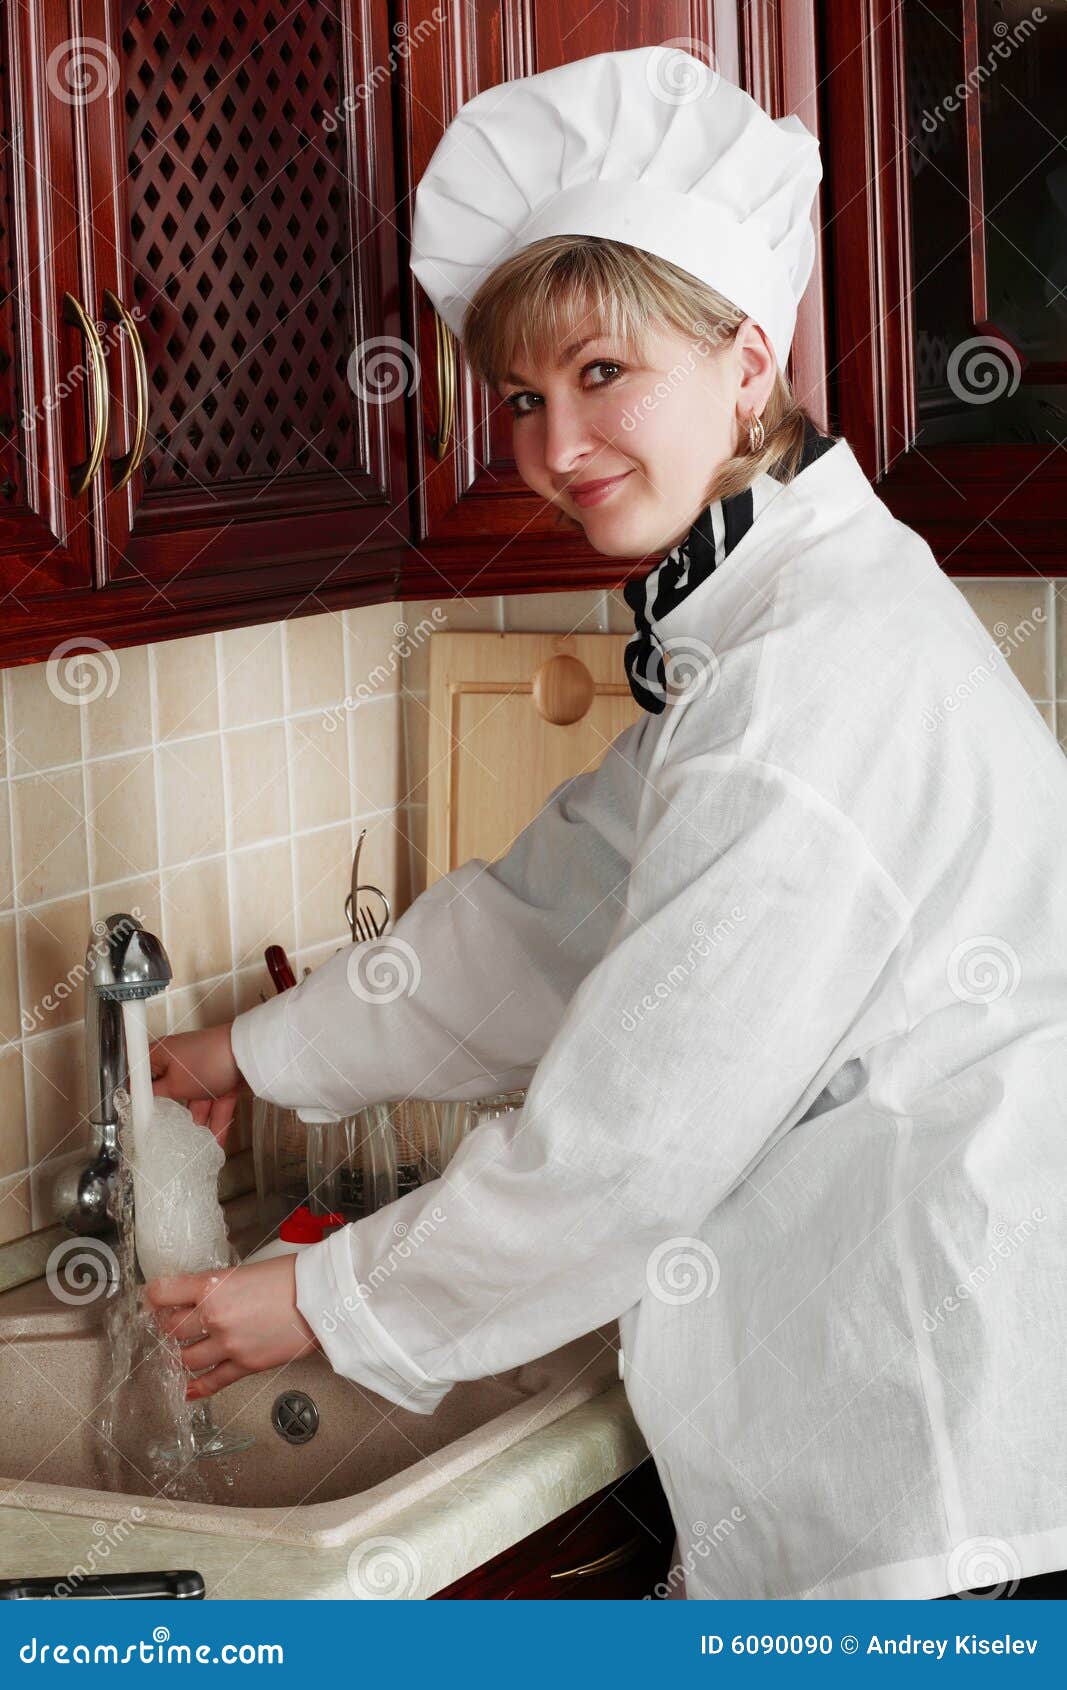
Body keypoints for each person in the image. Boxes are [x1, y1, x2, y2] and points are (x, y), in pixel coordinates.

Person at [145, 47, 1067, 1601]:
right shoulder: (776, 621)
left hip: (939, 1459)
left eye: (601, 375)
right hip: (931, 1419)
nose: (553, 445)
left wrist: (325, 1297)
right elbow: (557, 909)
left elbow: (635, 1137)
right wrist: (256, 1055)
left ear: (749, 364)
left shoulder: (807, 691)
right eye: (521, 393)